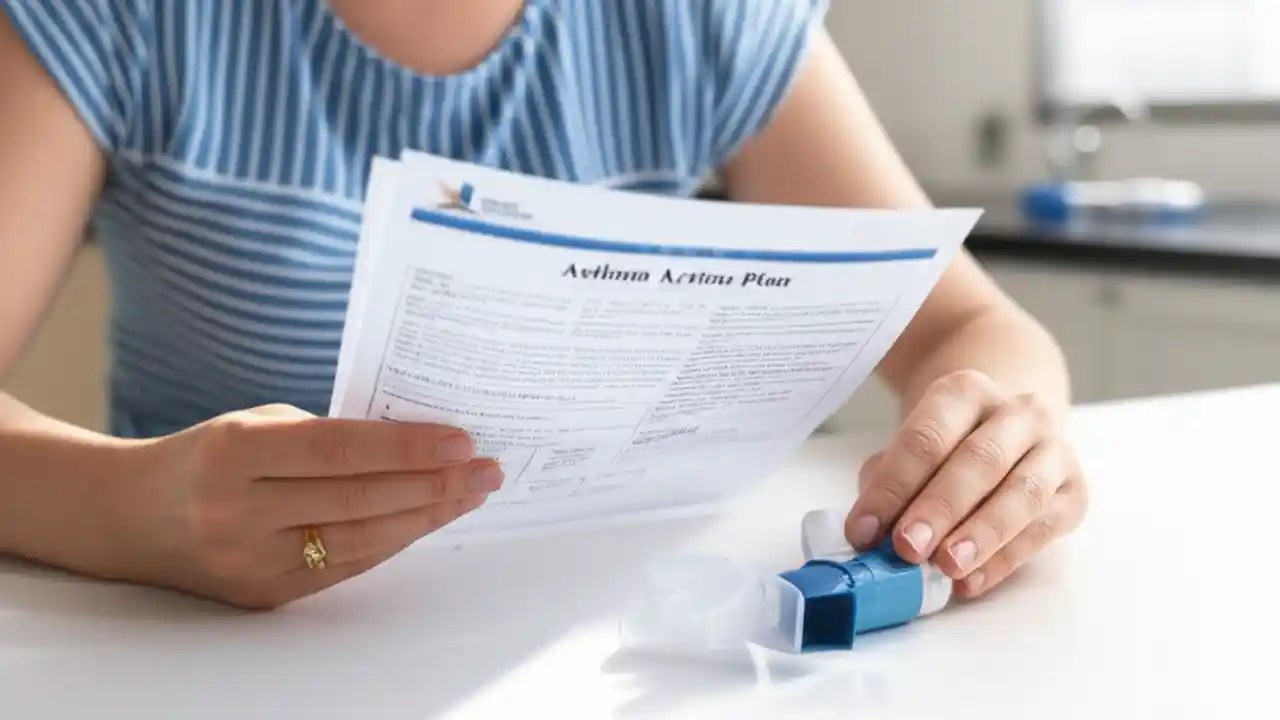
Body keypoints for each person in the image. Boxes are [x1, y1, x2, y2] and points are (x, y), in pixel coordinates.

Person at [0, 0, 1087, 609]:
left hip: (602, 653)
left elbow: (969, 329)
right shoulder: (120, 18)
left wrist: (1002, 434)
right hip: (199, 663)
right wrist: (133, 509)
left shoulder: (695, 18)